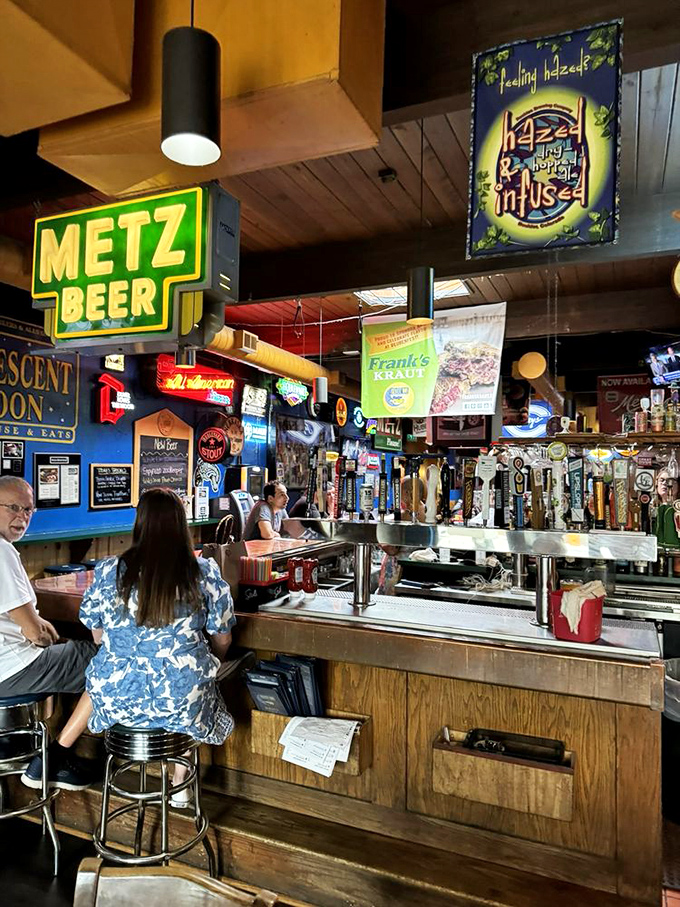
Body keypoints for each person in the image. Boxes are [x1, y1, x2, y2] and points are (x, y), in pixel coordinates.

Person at [75, 488, 235, 805]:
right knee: (190, 684)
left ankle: (160, 777)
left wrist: (125, 651)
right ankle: (180, 781)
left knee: (183, 683)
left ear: (140, 523)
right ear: (181, 523)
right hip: (181, 704)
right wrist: (203, 662)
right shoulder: (202, 572)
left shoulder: (108, 571)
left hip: (116, 701)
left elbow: (96, 634)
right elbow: (223, 637)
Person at [0, 476, 99, 790]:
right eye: (13, 508)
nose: (22, 517)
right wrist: (49, 637)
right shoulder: (1, 553)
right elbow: (33, 632)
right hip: (12, 668)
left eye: (28, 510)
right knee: (111, 663)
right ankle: (54, 758)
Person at [377, 476, 426, 595]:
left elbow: (391, 549)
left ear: (407, 492)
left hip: (399, 569)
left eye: (398, 490)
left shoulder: (405, 516)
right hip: (418, 569)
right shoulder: (428, 511)